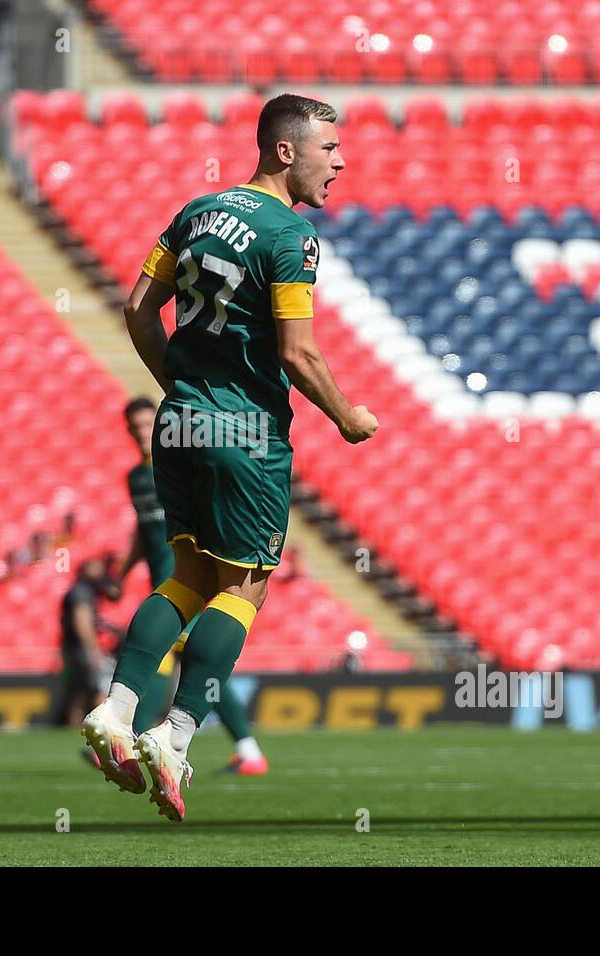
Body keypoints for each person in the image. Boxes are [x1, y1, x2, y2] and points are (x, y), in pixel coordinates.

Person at [82, 94, 379, 820]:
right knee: (244, 587)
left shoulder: (194, 213)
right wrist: (346, 417)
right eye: (329, 149)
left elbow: (136, 307)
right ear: (287, 150)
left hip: (180, 419)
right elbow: (297, 351)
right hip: (245, 429)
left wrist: (180, 392)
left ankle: (115, 712)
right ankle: (176, 737)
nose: (339, 163)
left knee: (187, 575)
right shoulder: (291, 235)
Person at [119, 396, 269, 775]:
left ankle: (130, 736)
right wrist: (122, 573)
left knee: (178, 664)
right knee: (191, 668)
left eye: (145, 424)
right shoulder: (137, 477)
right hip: (164, 592)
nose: (140, 432)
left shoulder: (181, 467)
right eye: (134, 426)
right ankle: (246, 751)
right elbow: (146, 531)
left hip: (188, 587)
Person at [56, 555, 119, 727]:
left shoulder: (83, 591)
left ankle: (73, 728)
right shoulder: (82, 592)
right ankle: (99, 728)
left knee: (79, 693)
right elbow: (82, 622)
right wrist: (93, 650)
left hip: (74, 649)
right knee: (97, 691)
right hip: (81, 649)